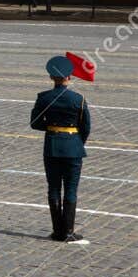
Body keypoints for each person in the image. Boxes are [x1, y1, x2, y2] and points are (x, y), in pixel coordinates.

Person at [31, 55, 92, 244]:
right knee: (71, 189)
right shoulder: (78, 99)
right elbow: (86, 127)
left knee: (54, 188)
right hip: (73, 147)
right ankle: (69, 231)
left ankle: (58, 231)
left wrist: (51, 129)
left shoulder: (43, 98)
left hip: (51, 147)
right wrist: (76, 141)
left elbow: (34, 123)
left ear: (51, 77)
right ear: (70, 77)